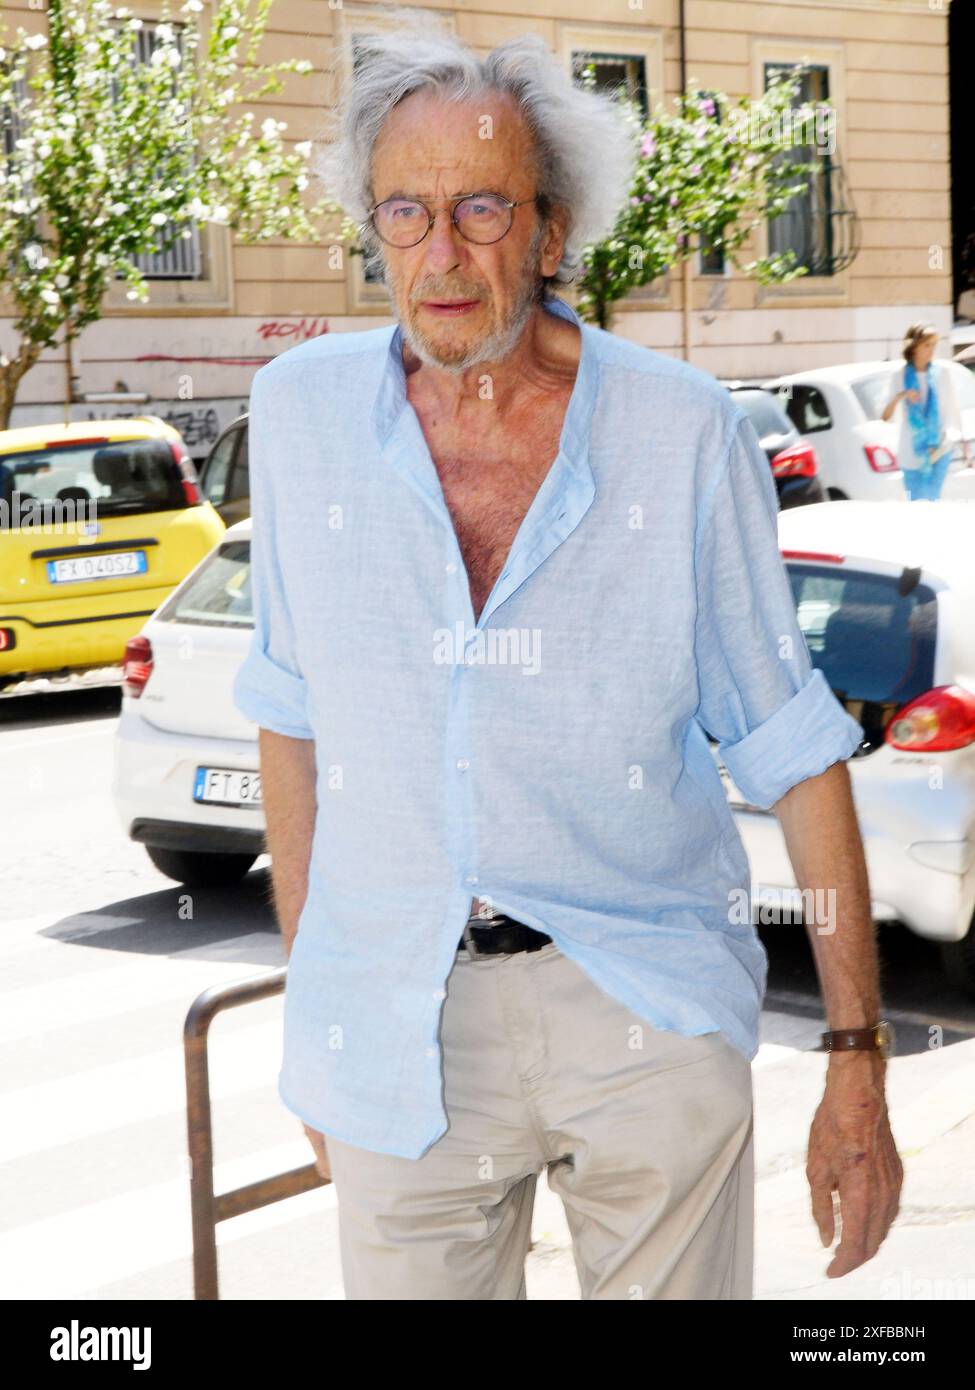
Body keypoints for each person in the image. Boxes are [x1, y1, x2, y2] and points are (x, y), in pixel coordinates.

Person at [232, 14, 901, 1301]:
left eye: (482, 209)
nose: (441, 253)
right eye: (405, 213)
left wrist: (858, 1057)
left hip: (640, 998)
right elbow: (290, 719)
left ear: (551, 232)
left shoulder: (685, 433)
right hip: (395, 1020)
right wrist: (320, 1018)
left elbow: (795, 746)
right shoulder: (301, 416)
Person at [882, 323, 969, 501]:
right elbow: (885, 416)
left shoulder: (942, 373)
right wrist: (902, 395)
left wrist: (954, 440)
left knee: (932, 502)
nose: (931, 350)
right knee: (916, 504)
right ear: (913, 347)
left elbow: (952, 412)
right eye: (926, 345)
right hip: (910, 453)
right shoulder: (899, 375)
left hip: (939, 450)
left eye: (933, 345)